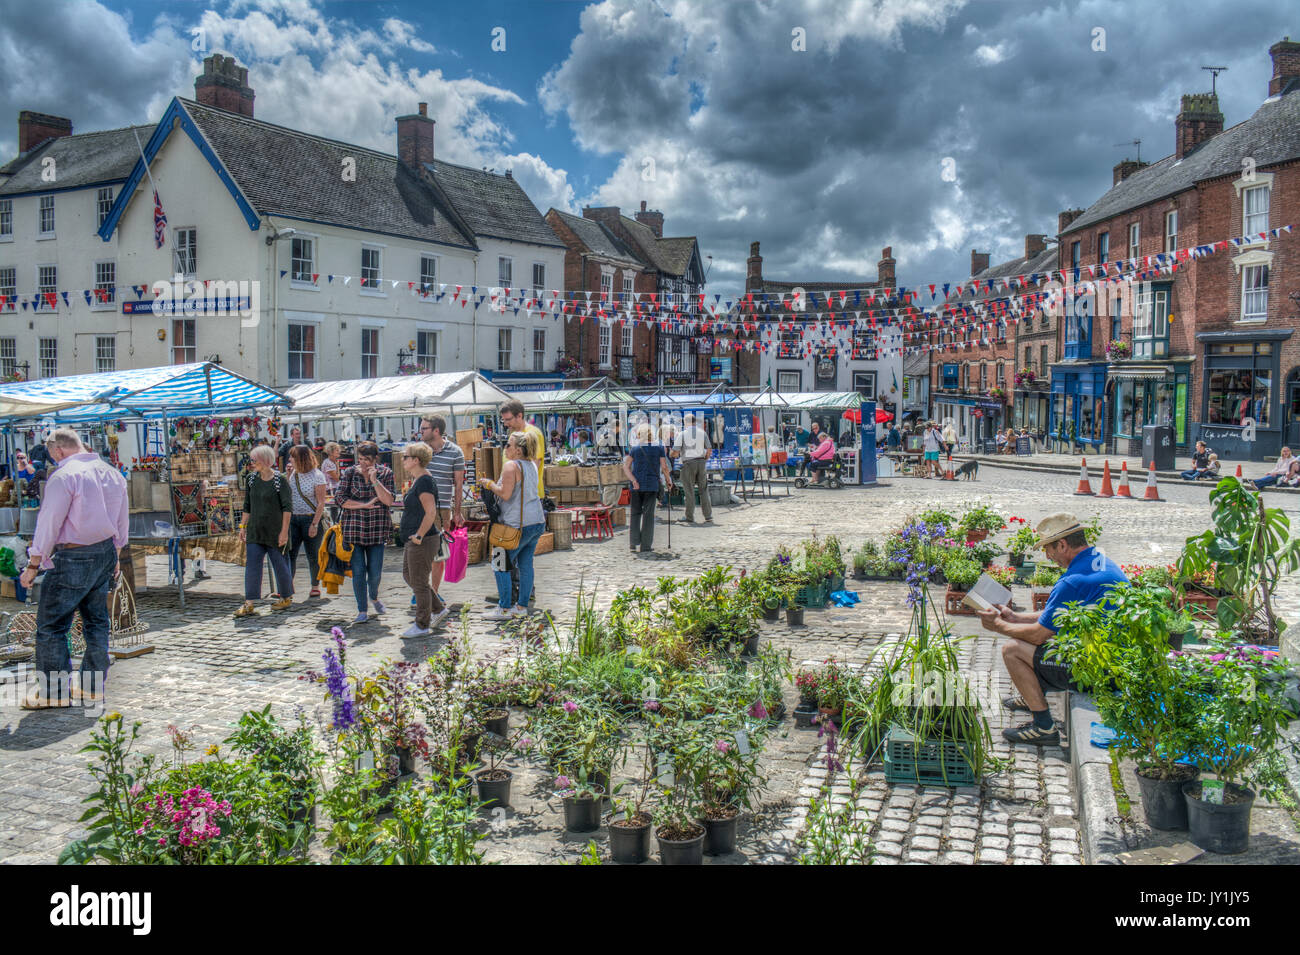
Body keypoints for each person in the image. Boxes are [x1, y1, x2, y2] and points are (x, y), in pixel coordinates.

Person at [977, 513, 1127, 746]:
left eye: (1048, 549)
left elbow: (1039, 634)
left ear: (1063, 544)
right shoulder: (1098, 560)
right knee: (1034, 645)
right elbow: (1057, 616)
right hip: (1116, 662)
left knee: (1012, 650)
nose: (1048, 556)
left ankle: (1044, 727)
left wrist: (1000, 625)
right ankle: (1032, 695)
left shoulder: (1072, 581)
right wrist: (1016, 617)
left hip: (1100, 673)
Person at [18, 428, 128, 708]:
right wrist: (116, 553)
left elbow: (49, 523)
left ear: (57, 450)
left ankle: (53, 693)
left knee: (52, 625)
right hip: (103, 550)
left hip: (74, 554)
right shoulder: (111, 472)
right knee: (96, 622)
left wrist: (33, 563)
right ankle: (92, 688)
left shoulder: (64, 476)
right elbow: (121, 518)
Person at [479, 430, 546, 621]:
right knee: (525, 565)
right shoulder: (532, 465)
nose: (505, 448)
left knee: (500, 564)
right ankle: (521, 606)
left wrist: (489, 484)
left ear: (518, 450)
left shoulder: (511, 466)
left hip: (515, 525)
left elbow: (505, 494)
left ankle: (505, 608)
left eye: (508, 445)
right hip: (536, 521)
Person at [336, 441, 395, 624]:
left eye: (367, 460)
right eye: (360, 459)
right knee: (359, 571)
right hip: (354, 529)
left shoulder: (385, 473)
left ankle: (374, 597)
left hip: (377, 529)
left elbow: (389, 500)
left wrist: (374, 480)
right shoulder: (350, 473)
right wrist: (364, 505)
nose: (363, 463)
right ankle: (362, 609)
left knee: (375, 572)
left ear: (375, 459)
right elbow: (340, 499)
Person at [234, 445, 294, 618]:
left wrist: (284, 532)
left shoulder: (279, 480)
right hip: (255, 530)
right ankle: (249, 603)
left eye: (255, 460)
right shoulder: (251, 480)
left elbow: (287, 508)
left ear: (265, 461)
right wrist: (243, 526)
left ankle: (285, 597)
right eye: (251, 460)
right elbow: (247, 505)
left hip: (275, 530)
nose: (252, 463)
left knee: (280, 564)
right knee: (252, 566)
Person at [417, 415, 463, 621]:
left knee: (438, 553)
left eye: (424, 428)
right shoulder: (419, 451)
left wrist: (458, 511)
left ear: (436, 431)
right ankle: (421, 590)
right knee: (418, 553)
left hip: (442, 508)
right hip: (419, 509)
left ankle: (433, 592)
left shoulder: (455, 452)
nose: (421, 432)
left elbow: (459, 485)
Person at [398, 442, 447, 637]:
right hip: (416, 539)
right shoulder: (419, 480)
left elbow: (431, 512)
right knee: (410, 576)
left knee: (418, 581)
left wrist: (419, 535)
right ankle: (438, 609)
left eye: (406, 457)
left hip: (423, 539)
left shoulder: (424, 481)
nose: (403, 460)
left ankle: (422, 624)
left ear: (416, 460)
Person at [623, 423, 672, 554]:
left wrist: (633, 480)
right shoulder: (659, 448)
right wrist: (668, 480)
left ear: (639, 435)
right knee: (648, 515)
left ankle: (633, 542)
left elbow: (626, 467)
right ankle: (645, 545)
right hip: (651, 485)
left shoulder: (635, 449)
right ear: (651, 434)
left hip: (636, 486)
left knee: (635, 513)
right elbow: (664, 467)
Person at [286, 444, 328, 598]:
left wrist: (315, 524)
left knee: (313, 555)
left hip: (310, 518)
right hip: (293, 518)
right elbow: (287, 495)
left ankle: (315, 586)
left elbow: (321, 502)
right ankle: (287, 586)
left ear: (301, 459)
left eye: (292, 456)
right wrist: (287, 475)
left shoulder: (317, 476)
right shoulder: (293, 474)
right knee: (290, 554)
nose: (289, 459)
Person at [499, 400, 546, 499]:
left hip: (527, 497)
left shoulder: (532, 434)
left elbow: (533, 467)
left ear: (519, 416)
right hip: (516, 496)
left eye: (508, 419)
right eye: (503, 420)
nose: (506, 424)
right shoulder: (513, 434)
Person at [673, 412, 713, 524]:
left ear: (685, 422)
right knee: (704, 490)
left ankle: (689, 516)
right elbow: (709, 449)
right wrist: (705, 458)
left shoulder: (682, 434)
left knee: (689, 490)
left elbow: (675, 452)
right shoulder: (703, 433)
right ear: (695, 422)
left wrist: (673, 455)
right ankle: (708, 515)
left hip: (688, 463)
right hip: (701, 462)